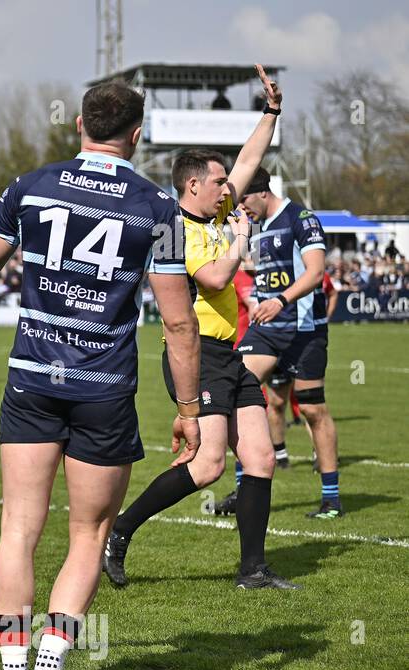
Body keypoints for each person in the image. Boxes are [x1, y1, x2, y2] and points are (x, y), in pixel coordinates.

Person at [0, 79, 202, 670]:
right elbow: (179, 324)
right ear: (138, 134)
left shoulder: (29, 185)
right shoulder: (158, 207)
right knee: (88, 533)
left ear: (78, 128)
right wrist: (188, 409)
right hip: (104, 387)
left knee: (18, 527)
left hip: (31, 379)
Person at [102, 65, 297, 591]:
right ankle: (120, 530)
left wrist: (271, 110)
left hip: (228, 355)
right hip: (195, 356)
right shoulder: (172, 227)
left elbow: (249, 159)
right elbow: (213, 278)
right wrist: (241, 241)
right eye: (217, 183)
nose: (227, 189)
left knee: (258, 457)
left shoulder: (215, 213)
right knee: (209, 464)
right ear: (192, 185)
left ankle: (252, 570)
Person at [232, 170, 341, 519]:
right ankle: (241, 492)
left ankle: (331, 499)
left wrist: (280, 299)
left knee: (312, 409)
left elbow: (315, 272)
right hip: (266, 329)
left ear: (262, 193)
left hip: (304, 329)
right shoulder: (257, 227)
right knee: (235, 389)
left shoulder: (301, 219)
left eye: (245, 201)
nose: (242, 210)